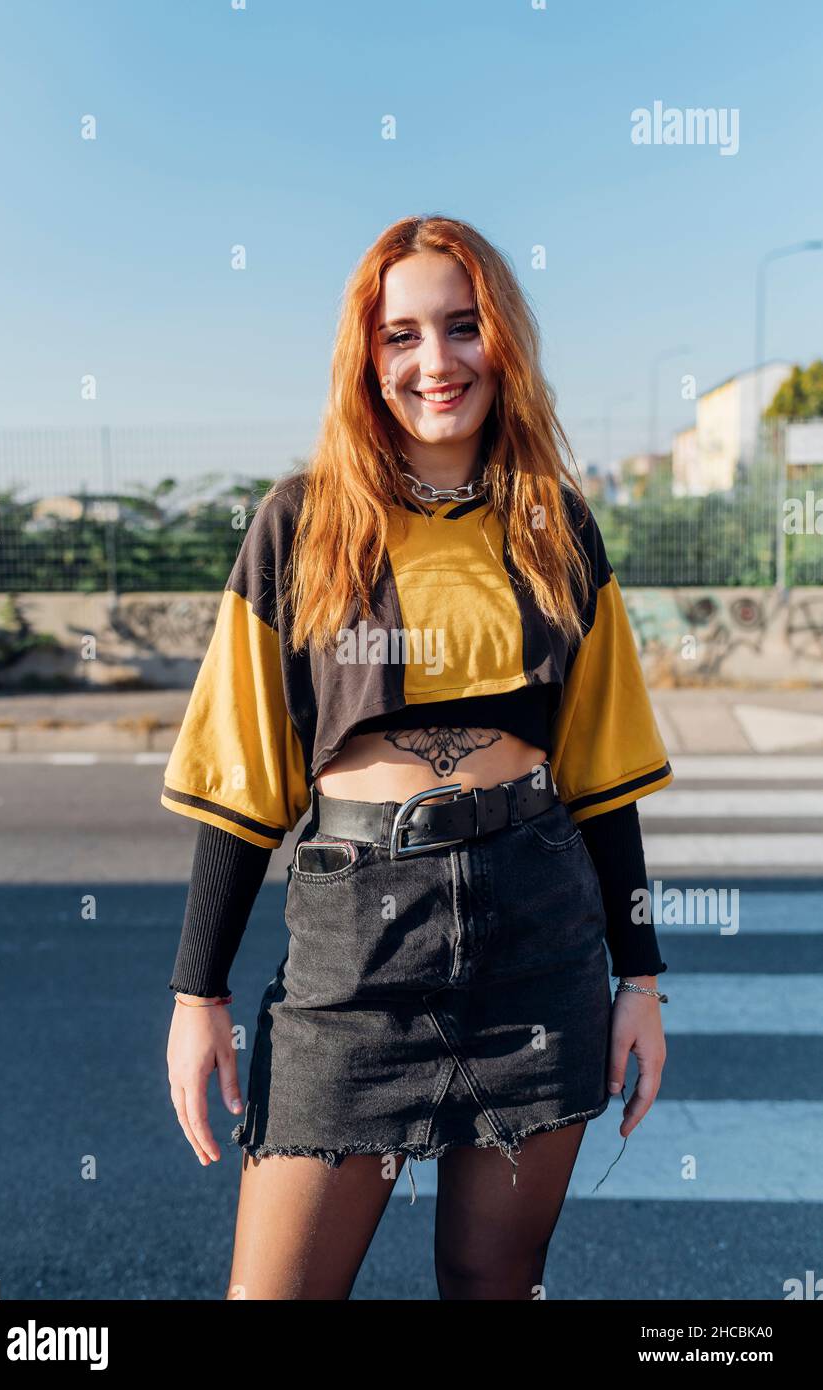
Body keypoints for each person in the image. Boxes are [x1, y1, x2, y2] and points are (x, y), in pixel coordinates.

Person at [161, 214, 672, 1301]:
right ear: (367, 357)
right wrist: (194, 994)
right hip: (356, 955)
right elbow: (241, 781)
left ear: (502, 344)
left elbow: (600, 778)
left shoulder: (556, 527)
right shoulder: (299, 524)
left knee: (492, 1285)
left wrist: (641, 979)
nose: (433, 362)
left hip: (536, 934)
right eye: (400, 336)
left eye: (460, 326)